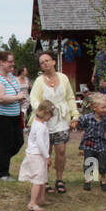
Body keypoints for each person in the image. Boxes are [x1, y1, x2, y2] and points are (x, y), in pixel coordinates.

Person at [29, 52, 78, 194]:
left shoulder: (63, 78)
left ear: (54, 62)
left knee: (61, 151)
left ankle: (59, 179)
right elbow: (34, 99)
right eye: (42, 62)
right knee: (46, 151)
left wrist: (75, 115)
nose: (45, 64)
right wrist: (43, 111)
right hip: (45, 121)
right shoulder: (39, 81)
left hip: (61, 119)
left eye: (47, 61)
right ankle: (44, 180)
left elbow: (70, 97)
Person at [0, 50, 28, 180]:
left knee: (18, 142)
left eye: (13, 61)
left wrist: (19, 99)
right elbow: (0, 98)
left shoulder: (11, 77)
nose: (13, 64)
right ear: (2, 62)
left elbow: (13, 95)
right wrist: (17, 97)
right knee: (5, 144)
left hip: (14, 116)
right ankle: (2, 174)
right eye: (10, 62)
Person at [77, 92, 106, 191]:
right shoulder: (87, 118)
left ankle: (103, 179)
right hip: (89, 144)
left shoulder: (105, 119)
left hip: (101, 144)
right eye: (103, 108)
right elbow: (79, 125)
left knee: (103, 163)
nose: (105, 110)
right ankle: (88, 180)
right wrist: (74, 123)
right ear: (94, 108)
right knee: (89, 161)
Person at [21, 103, 53, 211]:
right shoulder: (40, 127)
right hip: (37, 155)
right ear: (45, 113)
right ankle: (32, 202)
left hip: (39, 155)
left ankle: (41, 199)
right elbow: (40, 143)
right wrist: (47, 156)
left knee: (43, 178)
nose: (51, 117)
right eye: (50, 114)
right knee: (38, 179)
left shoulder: (38, 123)